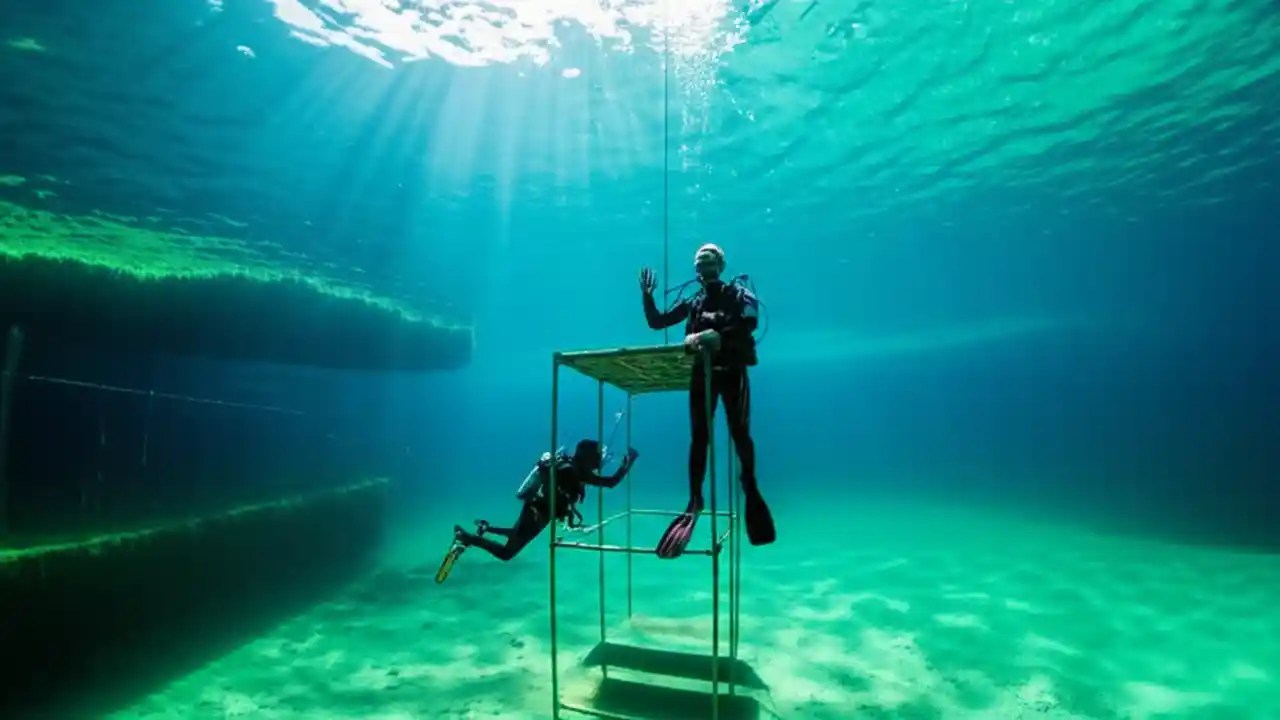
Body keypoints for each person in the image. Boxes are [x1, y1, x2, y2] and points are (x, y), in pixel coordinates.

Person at [639, 243, 776, 559]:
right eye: (700, 255)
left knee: (739, 433)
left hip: (731, 373)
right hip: (702, 375)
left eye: (710, 254)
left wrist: (718, 336)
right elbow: (657, 322)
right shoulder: (694, 301)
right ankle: (694, 498)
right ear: (696, 268)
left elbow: (751, 322)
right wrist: (647, 297)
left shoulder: (738, 293)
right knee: (699, 438)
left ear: (721, 263)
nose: (704, 255)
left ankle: (749, 484)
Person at [452, 439, 639, 562]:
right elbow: (611, 482)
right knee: (507, 554)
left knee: (517, 535)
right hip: (537, 513)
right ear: (588, 458)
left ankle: (485, 530)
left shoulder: (569, 466)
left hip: (536, 510)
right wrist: (628, 462)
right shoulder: (573, 471)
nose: (598, 461)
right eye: (596, 457)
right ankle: (466, 538)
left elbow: (598, 480)